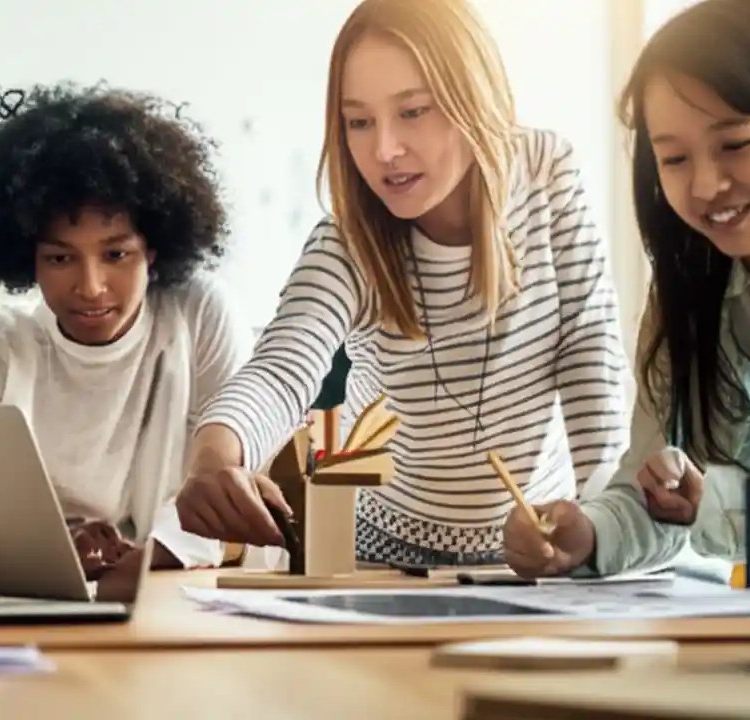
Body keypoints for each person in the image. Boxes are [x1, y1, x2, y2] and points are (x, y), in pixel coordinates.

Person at [175, 0, 629, 567]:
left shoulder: (545, 171)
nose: (385, 150)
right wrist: (214, 458)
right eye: (359, 122)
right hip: (386, 554)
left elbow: (589, 347)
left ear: (474, 98)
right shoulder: (347, 241)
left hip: (540, 543)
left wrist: (599, 519)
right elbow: (282, 368)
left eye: (413, 111)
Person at [503, 0, 750, 578]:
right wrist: (587, 535)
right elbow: (657, 485)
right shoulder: (692, 288)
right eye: (673, 158)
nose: (707, 184)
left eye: (736, 144)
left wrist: (712, 503)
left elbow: (708, 505)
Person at [0, 84, 249, 572]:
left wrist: (146, 558)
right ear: (29, 258)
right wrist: (65, 548)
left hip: (179, 589)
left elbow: (226, 487)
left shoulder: (197, 315)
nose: (90, 286)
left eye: (116, 255)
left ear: (153, 248)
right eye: (60, 257)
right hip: (39, 594)